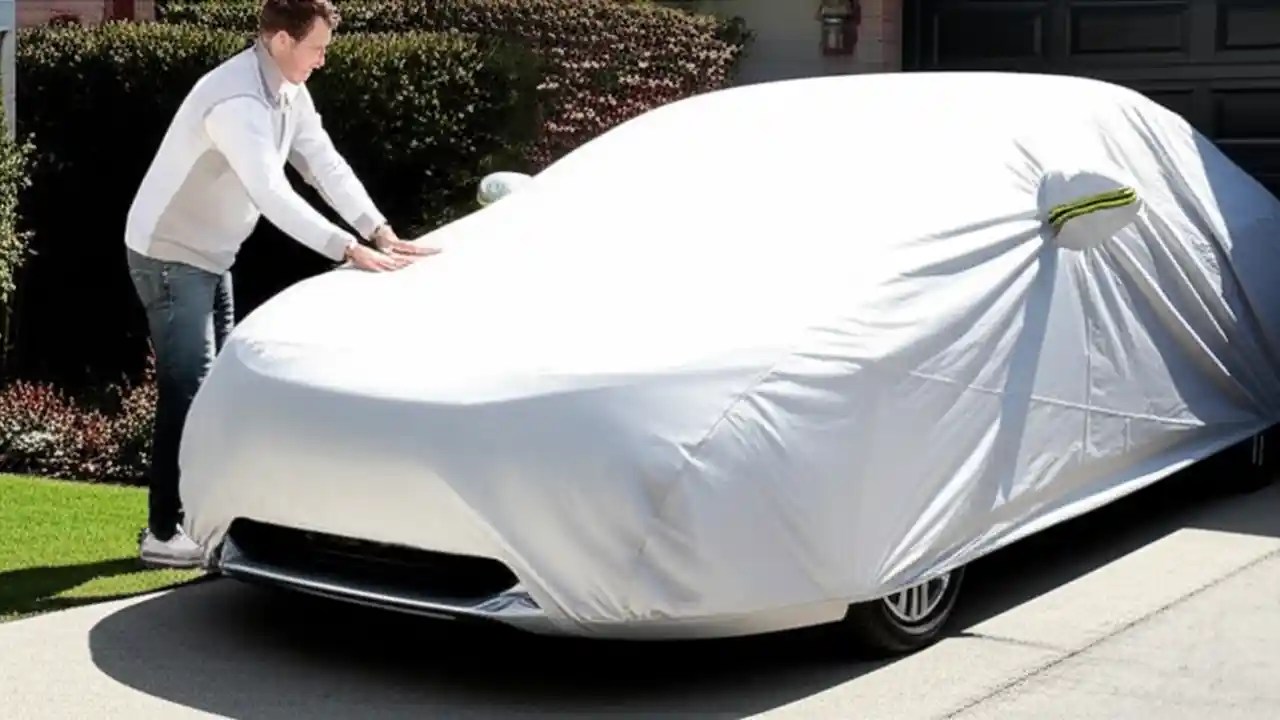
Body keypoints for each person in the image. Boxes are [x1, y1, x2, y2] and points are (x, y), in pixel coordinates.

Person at [124, 0, 436, 568]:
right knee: (189, 391)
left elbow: (322, 162)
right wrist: (346, 248)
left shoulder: (289, 89)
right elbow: (271, 193)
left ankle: (202, 523)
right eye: (316, 48)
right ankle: (162, 533)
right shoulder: (237, 101)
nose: (322, 60)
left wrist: (379, 230)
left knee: (215, 388)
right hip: (170, 257)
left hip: (213, 255)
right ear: (280, 39)